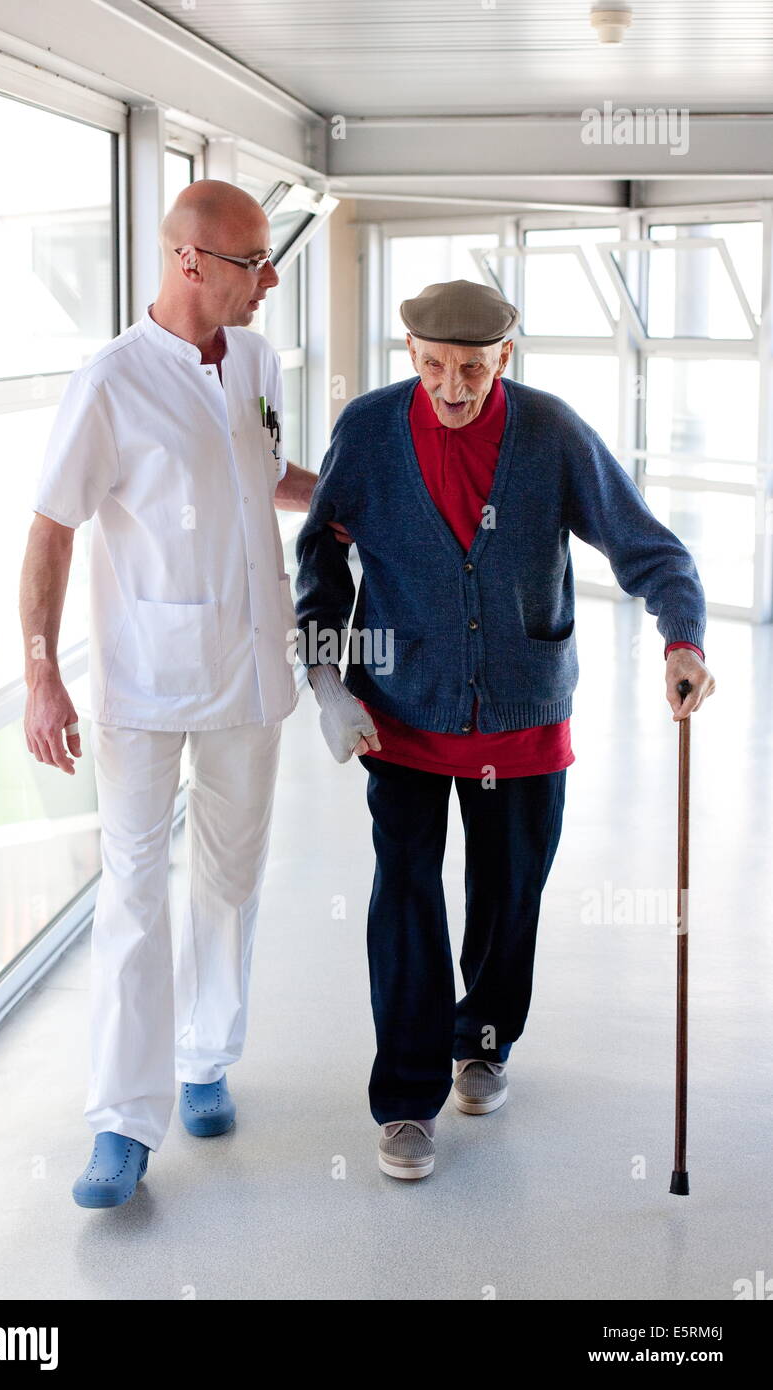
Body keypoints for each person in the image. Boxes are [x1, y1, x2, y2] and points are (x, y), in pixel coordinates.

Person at [294, 278, 716, 1181]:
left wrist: (682, 638)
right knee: (403, 898)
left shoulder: (552, 433)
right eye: (436, 367)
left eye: (473, 370)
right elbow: (321, 556)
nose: (453, 388)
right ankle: (406, 1101)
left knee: (508, 892)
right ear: (409, 355)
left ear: (506, 360)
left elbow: (653, 551)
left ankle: (482, 1042)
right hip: (399, 713)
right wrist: (327, 680)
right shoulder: (368, 432)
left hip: (522, 713)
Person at [19, 179, 349, 1208]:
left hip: (252, 673)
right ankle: (121, 1120)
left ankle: (206, 1056)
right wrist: (39, 671)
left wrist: (339, 498)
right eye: (254, 261)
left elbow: (260, 468)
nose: (271, 278)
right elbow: (51, 528)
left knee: (229, 879)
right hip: (143, 682)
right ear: (190, 262)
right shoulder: (110, 383)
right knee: (129, 892)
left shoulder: (253, 358)